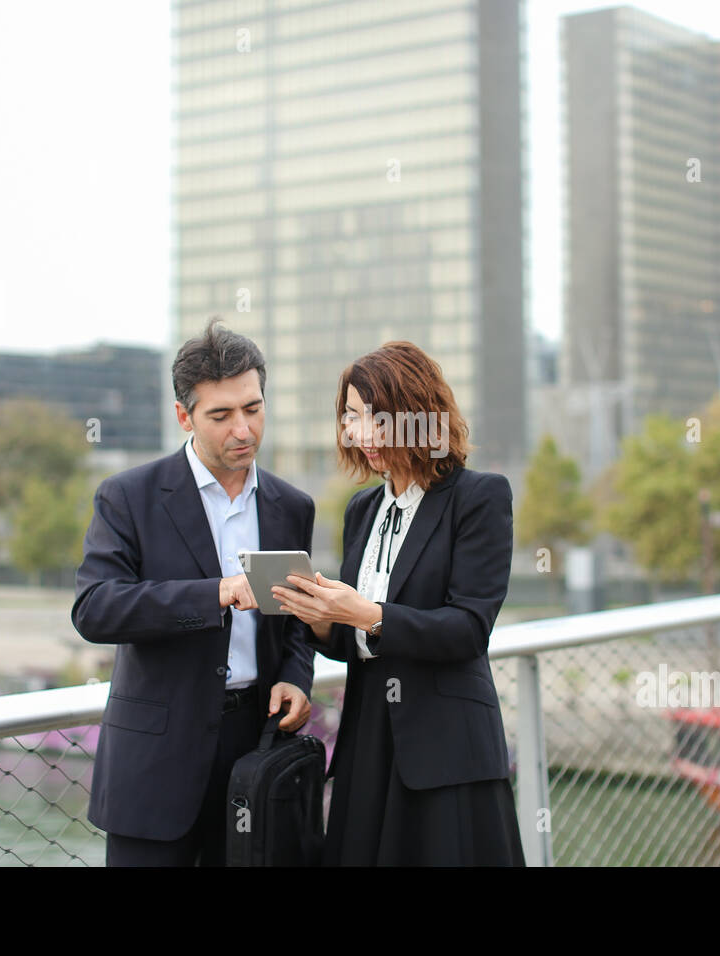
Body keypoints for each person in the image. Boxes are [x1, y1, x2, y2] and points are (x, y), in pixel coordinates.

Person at [71, 318, 316, 866]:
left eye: (253, 409)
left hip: (258, 753)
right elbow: (95, 609)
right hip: (156, 766)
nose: (243, 430)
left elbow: (294, 618)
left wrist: (296, 678)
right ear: (184, 417)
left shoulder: (291, 506)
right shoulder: (127, 497)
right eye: (221, 415)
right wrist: (217, 594)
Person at [272, 341, 525, 865]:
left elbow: (467, 629)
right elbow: (354, 643)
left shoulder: (478, 498)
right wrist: (319, 618)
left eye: (376, 419)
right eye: (351, 418)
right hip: (368, 741)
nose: (362, 435)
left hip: (447, 748)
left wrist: (363, 612)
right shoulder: (362, 509)